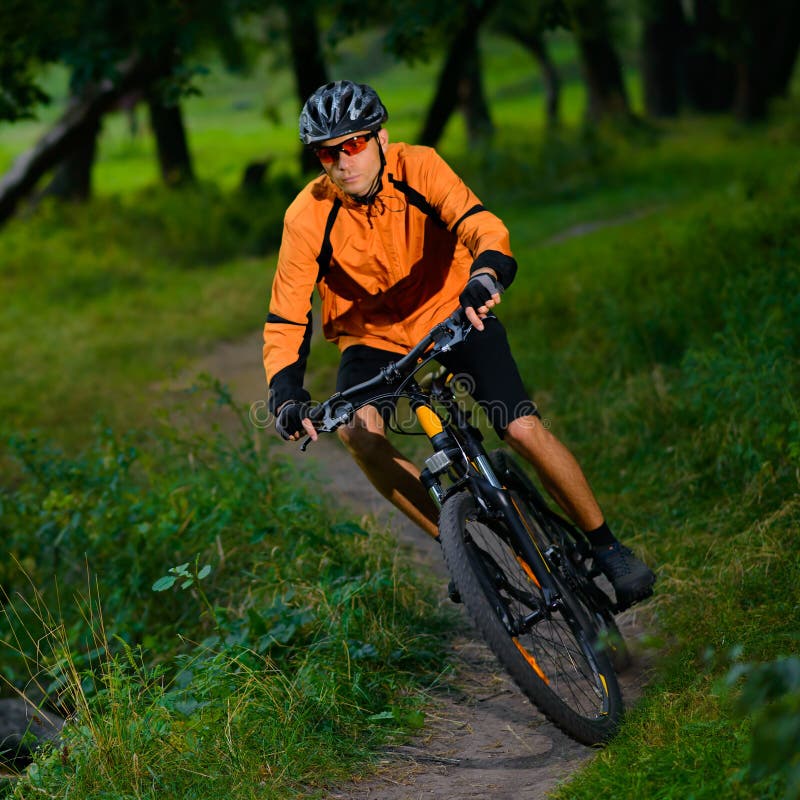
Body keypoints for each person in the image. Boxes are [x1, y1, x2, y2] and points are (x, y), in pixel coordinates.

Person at [262, 80, 655, 609]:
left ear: (380, 137)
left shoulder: (420, 167)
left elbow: (479, 224)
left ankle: (608, 547)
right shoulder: (307, 214)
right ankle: (462, 548)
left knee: (518, 425)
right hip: (373, 337)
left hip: (453, 310)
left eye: (353, 143)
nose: (342, 162)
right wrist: (285, 393)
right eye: (327, 152)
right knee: (358, 433)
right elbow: (288, 312)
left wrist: (487, 273)